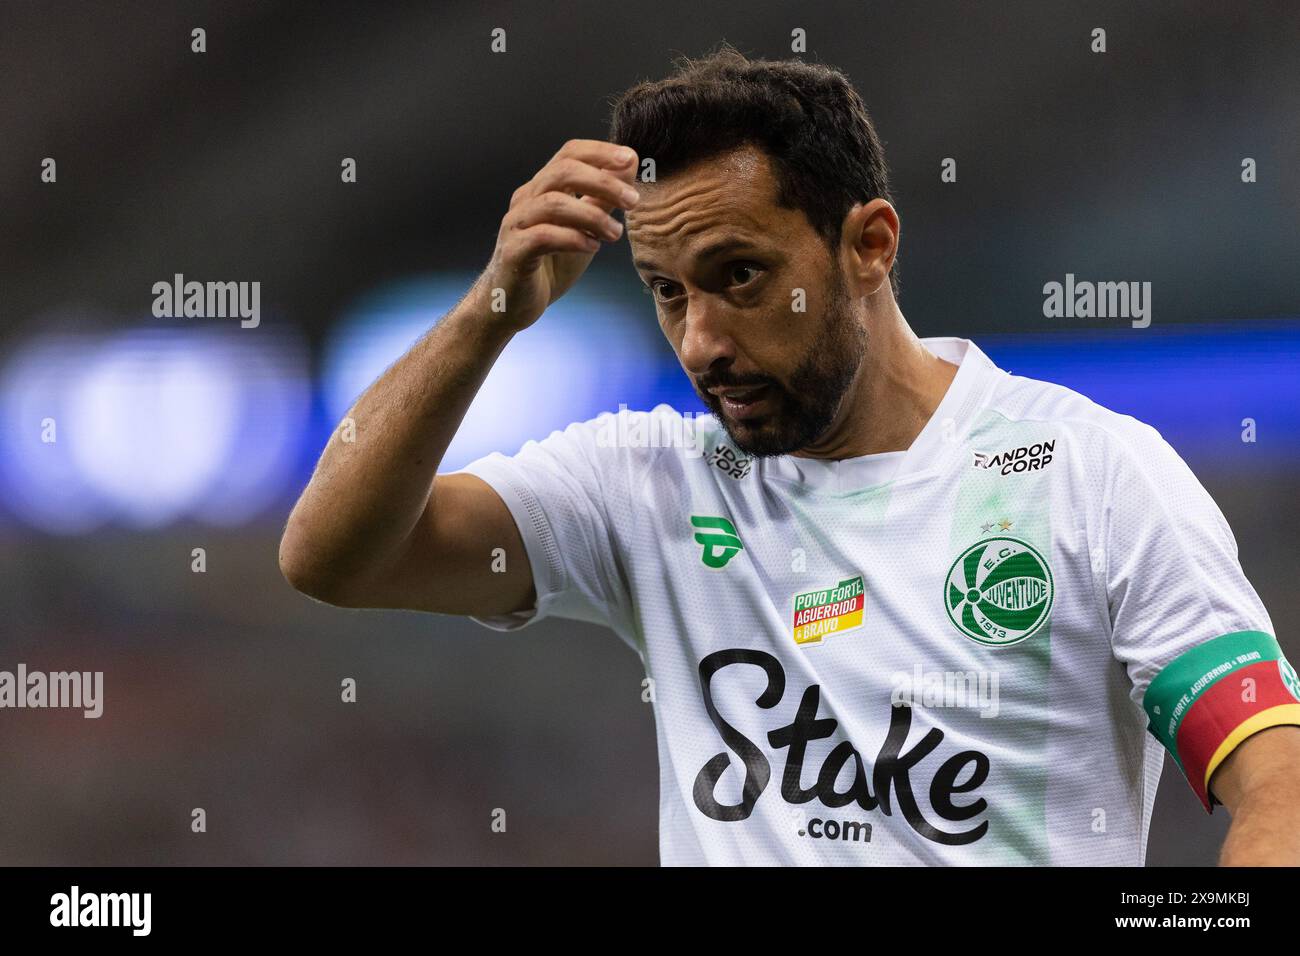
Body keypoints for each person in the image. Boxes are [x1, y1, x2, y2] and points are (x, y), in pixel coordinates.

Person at [280, 46, 1300, 865]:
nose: (700, 341)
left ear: (869, 243)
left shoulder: (1088, 472)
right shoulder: (646, 484)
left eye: (740, 275)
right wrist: (487, 314)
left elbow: (1279, 786)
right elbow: (330, 555)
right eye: (668, 290)